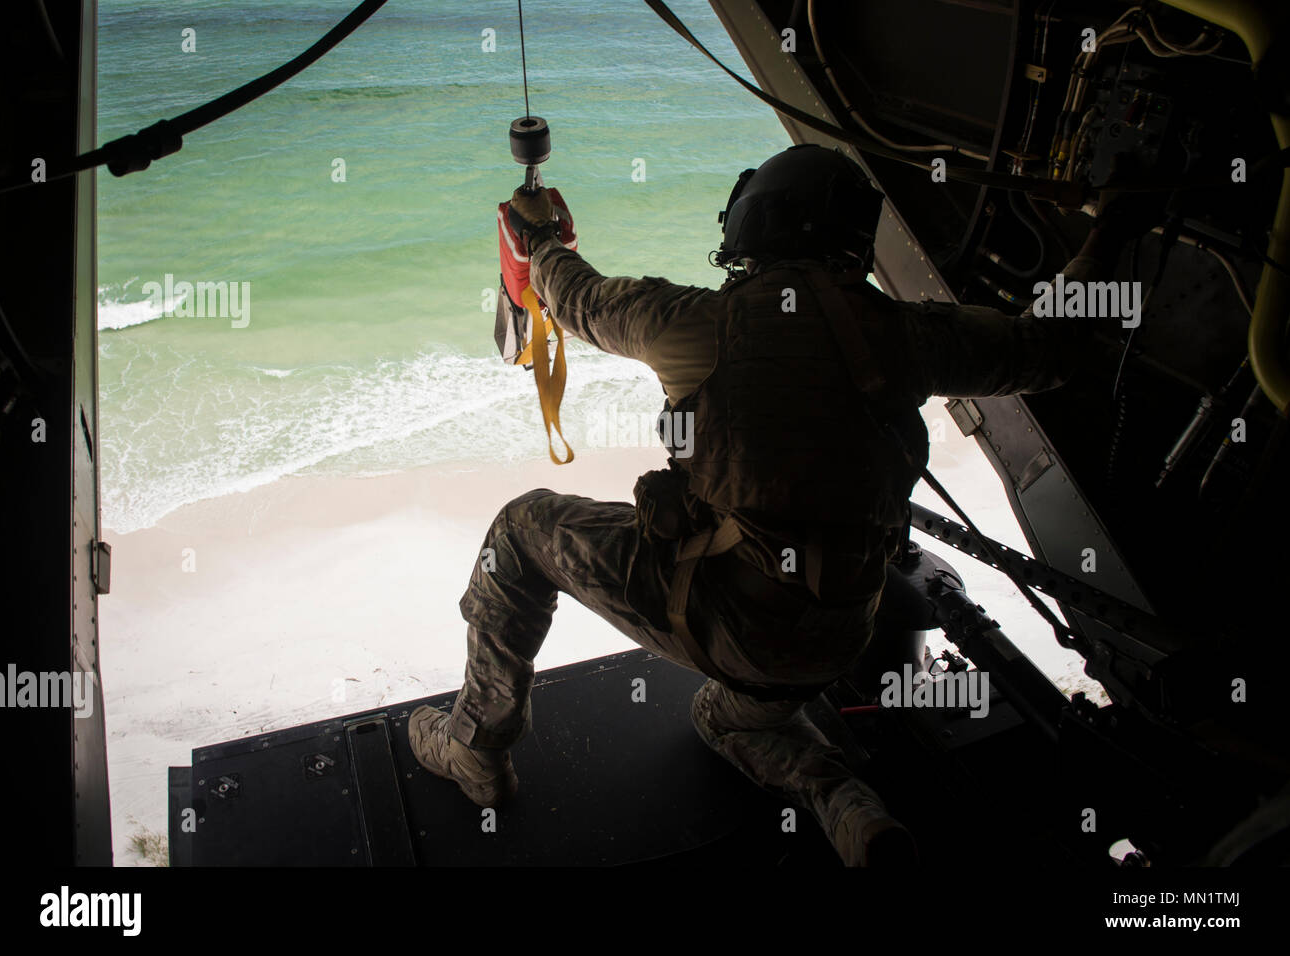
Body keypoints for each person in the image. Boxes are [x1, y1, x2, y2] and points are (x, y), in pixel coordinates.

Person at [409, 143, 1139, 866]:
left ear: (755, 225)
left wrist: (538, 243)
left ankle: (477, 746)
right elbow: (1054, 345)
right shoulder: (908, 336)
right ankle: (845, 804)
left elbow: (578, 301)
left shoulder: (694, 325)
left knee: (521, 527)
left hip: (727, 626)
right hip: (835, 635)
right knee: (723, 718)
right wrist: (1114, 226)